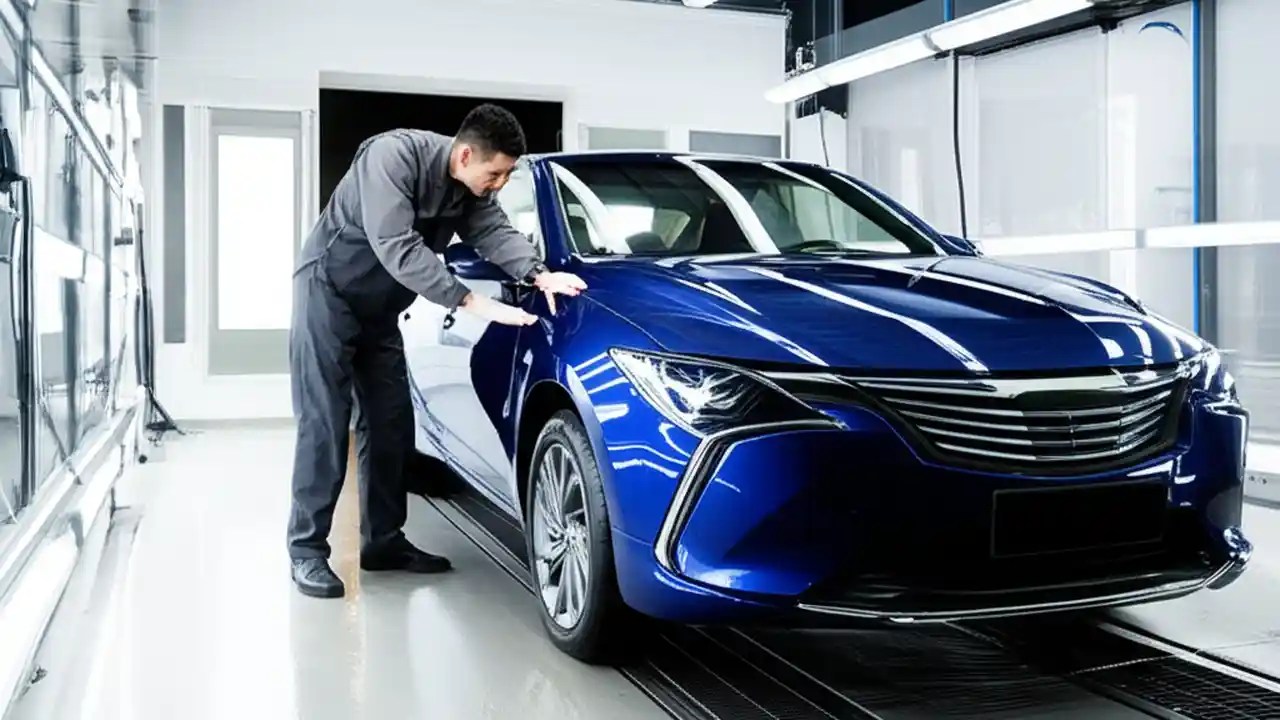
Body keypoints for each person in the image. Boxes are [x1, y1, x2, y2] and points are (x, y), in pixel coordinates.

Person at [287, 104, 586, 598]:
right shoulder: (391, 157)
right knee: (324, 422)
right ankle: (306, 551)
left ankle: (382, 542)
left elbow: (494, 233)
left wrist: (538, 273)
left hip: (380, 309)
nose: (500, 184)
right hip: (329, 294)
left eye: (508, 174)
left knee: (390, 423)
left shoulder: (470, 186)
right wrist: (470, 301)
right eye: (497, 173)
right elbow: (396, 245)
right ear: (466, 154)